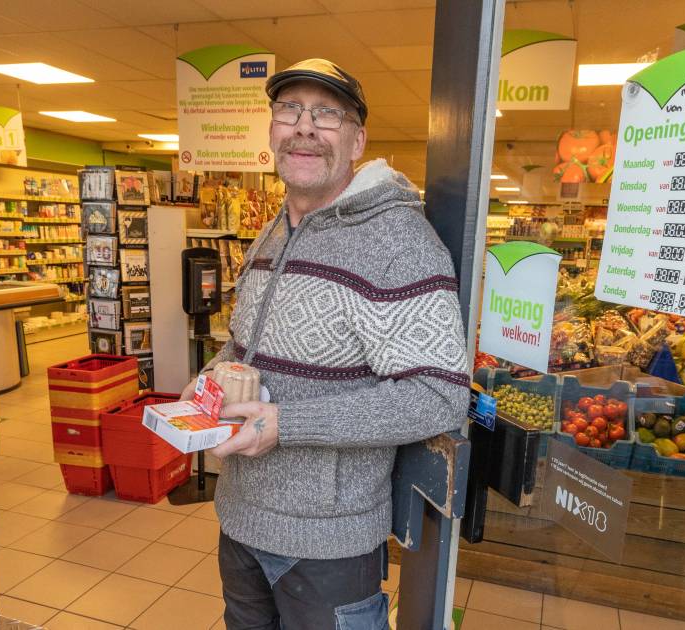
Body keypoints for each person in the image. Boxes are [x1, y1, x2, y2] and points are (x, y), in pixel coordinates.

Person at [181, 59, 470, 629]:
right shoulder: (273, 230)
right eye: (290, 110)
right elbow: (245, 347)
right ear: (272, 132)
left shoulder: (400, 242)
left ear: (358, 140)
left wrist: (285, 424)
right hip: (239, 520)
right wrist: (211, 375)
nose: (305, 126)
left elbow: (438, 396)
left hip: (329, 545)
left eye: (327, 114)